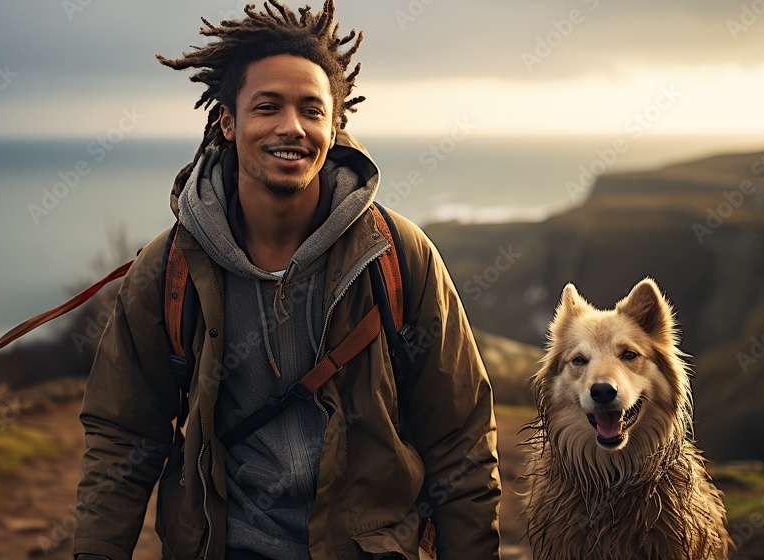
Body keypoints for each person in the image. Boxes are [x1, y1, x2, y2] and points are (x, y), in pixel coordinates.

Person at [73, 2, 500, 559]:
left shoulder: (397, 256)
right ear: (228, 121)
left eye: (311, 110)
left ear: (334, 126)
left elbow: (461, 440)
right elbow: (123, 437)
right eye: (267, 107)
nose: (291, 128)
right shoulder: (170, 268)